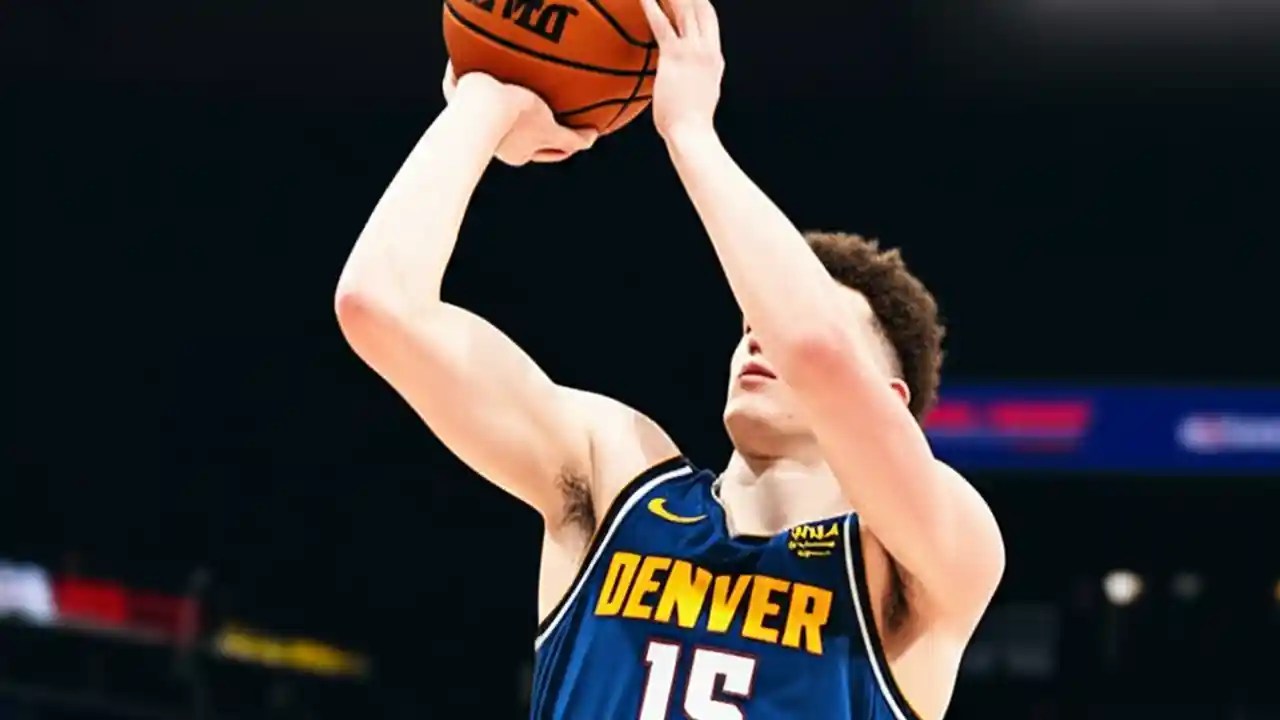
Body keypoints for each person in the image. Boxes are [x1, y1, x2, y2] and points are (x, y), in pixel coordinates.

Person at [335, 0, 1004, 716]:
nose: (761, 335)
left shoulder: (929, 555)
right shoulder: (619, 479)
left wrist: (690, 134)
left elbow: (815, 348)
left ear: (891, 399)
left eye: (780, 322)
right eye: (750, 322)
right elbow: (380, 305)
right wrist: (486, 101)